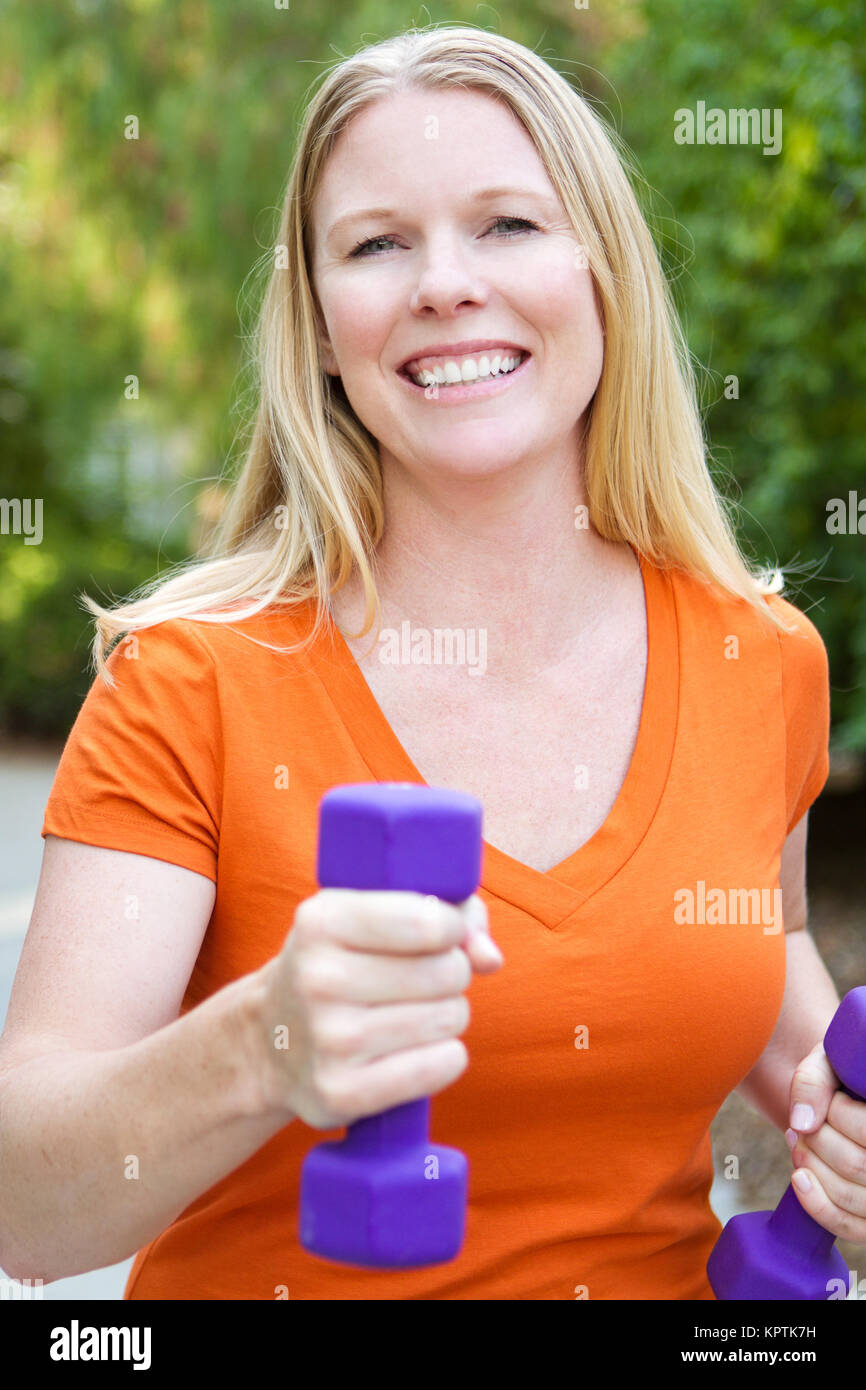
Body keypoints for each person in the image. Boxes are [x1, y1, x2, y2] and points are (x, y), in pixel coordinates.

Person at [1, 25, 863, 1302]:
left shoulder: (761, 658)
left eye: (507, 224)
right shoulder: (192, 682)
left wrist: (841, 1142)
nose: (444, 284)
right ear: (323, 326)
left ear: (603, 272)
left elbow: (764, 985)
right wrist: (268, 1039)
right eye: (375, 243)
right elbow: (29, 1209)